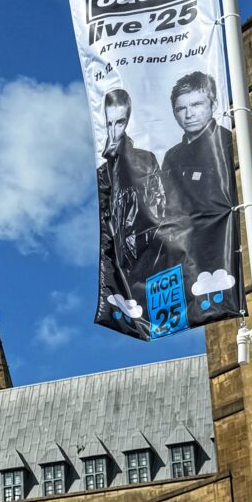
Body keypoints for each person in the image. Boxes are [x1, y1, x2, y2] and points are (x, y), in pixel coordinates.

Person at [157, 72, 238, 317]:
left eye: (196, 104)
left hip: (222, 245)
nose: (189, 114)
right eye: (181, 108)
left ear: (213, 105)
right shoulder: (172, 156)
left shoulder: (227, 141)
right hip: (189, 251)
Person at [95, 86, 172, 333]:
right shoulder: (103, 171)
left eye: (120, 122)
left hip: (146, 255)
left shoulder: (145, 159)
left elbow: (160, 210)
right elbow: (106, 226)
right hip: (120, 262)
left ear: (127, 121)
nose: (114, 130)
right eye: (109, 123)